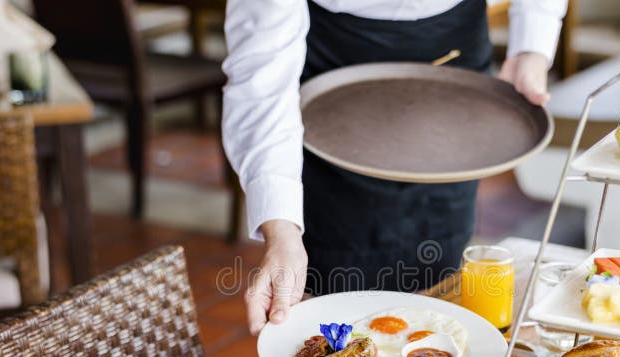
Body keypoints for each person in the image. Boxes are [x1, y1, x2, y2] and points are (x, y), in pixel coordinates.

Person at [222, 0, 568, 335]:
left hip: (451, 69)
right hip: (334, 77)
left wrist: (532, 46)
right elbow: (261, 78)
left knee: (438, 271)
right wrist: (282, 232)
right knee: (335, 289)